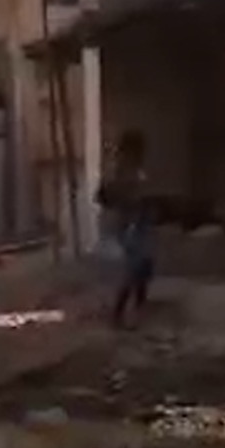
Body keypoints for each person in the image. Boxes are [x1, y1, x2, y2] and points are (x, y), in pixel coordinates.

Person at [96, 130, 155, 328]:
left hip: (138, 222)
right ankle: (121, 313)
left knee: (144, 267)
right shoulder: (122, 171)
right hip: (130, 223)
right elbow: (107, 196)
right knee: (135, 268)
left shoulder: (134, 170)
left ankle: (136, 309)